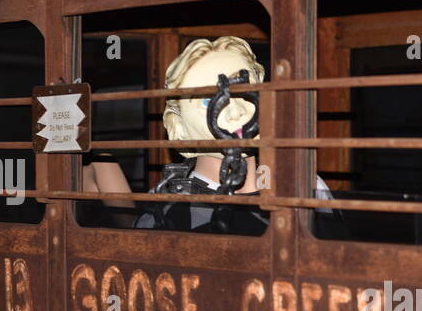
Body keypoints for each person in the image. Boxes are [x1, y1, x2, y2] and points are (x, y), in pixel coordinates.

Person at [81, 35, 331, 231]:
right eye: (207, 102)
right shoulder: (167, 215)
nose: (236, 112)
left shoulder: (305, 184)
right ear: (177, 129)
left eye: (246, 92)